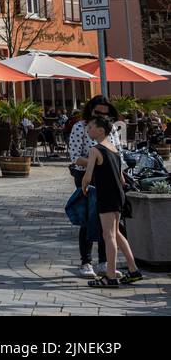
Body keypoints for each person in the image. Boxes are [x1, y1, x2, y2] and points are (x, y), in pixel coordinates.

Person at [82, 115, 142, 287]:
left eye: (91, 127)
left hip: (106, 196)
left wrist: (84, 187)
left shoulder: (96, 150)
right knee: (116, 233)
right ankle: (133, 270)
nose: (88, 130)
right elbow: (122, 179)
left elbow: (88, 175)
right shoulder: (114, 150)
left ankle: (110, 276)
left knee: (108, 235)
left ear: (101, 130)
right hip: (118, 196)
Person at [68, 95, 121, 277]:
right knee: (88, 218)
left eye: (104, 114)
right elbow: (75, 157)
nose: (100, 116)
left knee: (107, 221)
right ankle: (86, 261)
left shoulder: (111, 129)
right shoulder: (80, 127)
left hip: (107, 178)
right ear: (90, 109)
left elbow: (117, 152)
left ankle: (104, 261)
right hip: (86, 176)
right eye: (97, 112)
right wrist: (95, 161)